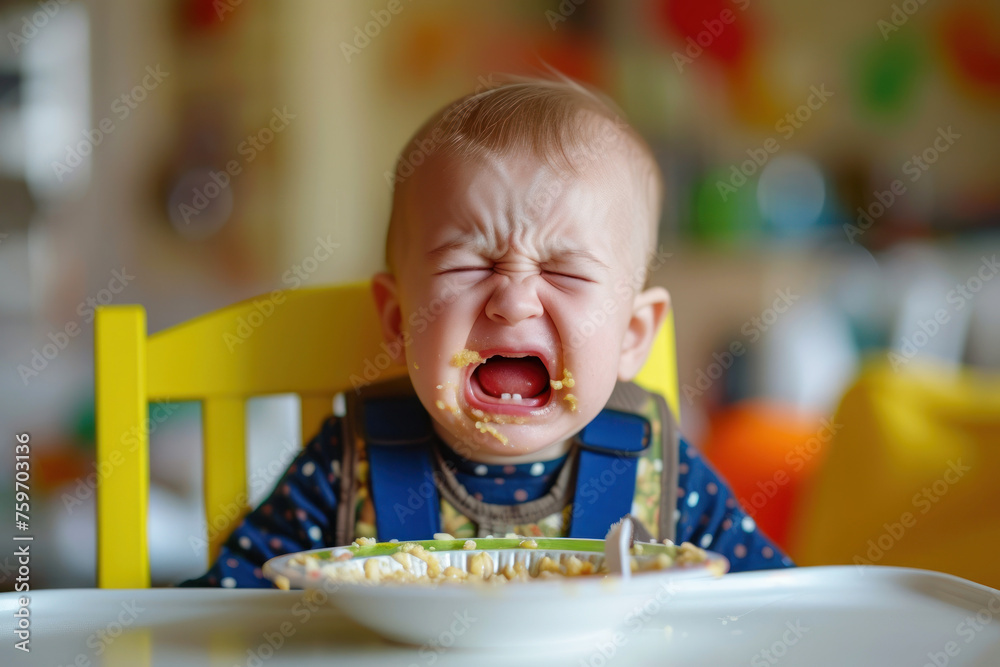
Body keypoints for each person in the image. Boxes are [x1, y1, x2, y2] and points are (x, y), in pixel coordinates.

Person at [179, 76, 792, 588]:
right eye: (469, 265)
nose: (514, 299)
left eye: (562, 270)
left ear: (633, 335)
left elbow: (777, 608)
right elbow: (227, 610)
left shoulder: (664, 478)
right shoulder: (351, 464)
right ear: (398, 320)